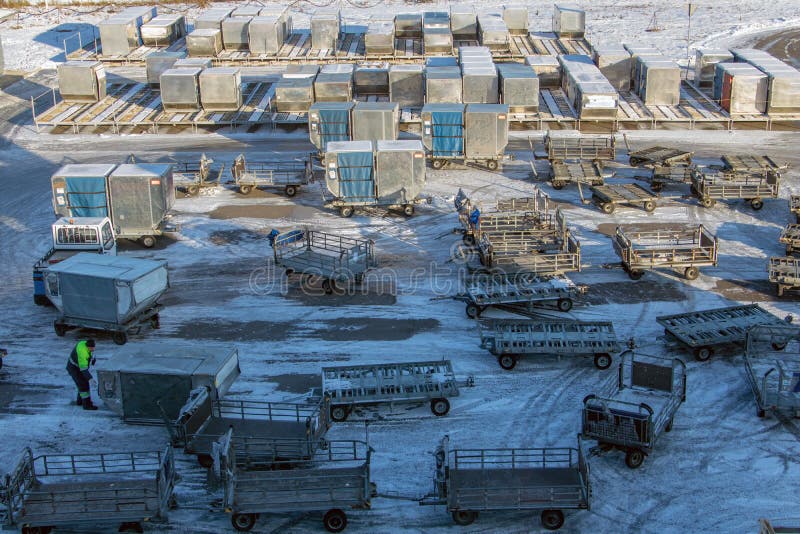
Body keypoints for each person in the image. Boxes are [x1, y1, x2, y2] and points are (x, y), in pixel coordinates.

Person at [66, 339, 98, 410]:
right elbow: (83, 369)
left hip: (76, 366)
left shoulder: (84, 344)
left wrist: (92, 359)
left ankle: (80, 401)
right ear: (88, 347)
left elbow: (91, 354)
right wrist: (90, 378)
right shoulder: (82, 353)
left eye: (93, 348)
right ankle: (87, 405)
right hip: (74, 369)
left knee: (81, 383)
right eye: (91, 348)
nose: (93, 349)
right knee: (83, 385)